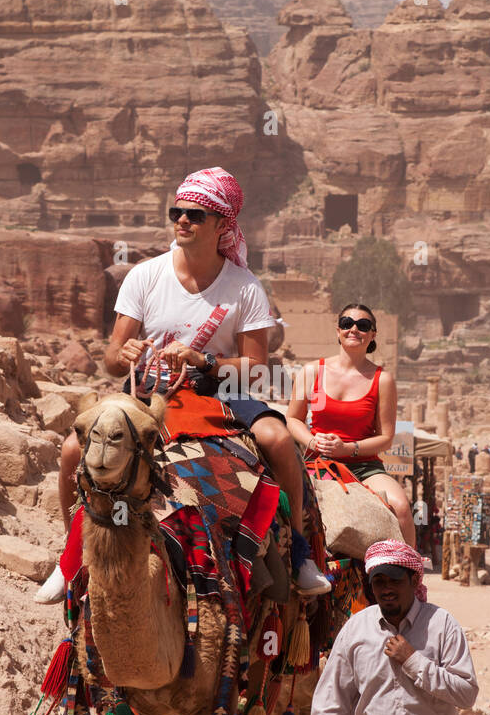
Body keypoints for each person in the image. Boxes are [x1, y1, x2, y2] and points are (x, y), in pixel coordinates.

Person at [37, 167, 331, 603]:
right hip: (150, 388)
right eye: (177, 211)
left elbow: (254, 369)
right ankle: (71, 558)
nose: (182, 220)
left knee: (277, 438)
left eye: (195, 214)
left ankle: (301, 556)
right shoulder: (145, 275)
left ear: (222, 224)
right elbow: (112, 356)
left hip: (219, 389)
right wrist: (128, 353)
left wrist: (204, 359)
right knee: (71, 450)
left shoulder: (245, 288)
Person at [301, 540, 478, 715]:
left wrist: (413, 661)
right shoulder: (356, 631)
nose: (386, 589)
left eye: (394, 580)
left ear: (413, 579)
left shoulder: (442, 626)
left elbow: (466, 693)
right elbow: (332, 700)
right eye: (378, 581)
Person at [287, 302, 414, 546]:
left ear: (372, 335)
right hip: (318, 461)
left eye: (362, 325)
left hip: (364, 466)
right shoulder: (312, 371)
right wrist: (313, 441)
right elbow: (293, 418)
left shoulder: (383, 380)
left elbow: (386, 437)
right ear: (338, 331)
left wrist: (348, 449)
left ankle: (411, 577)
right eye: (347, 323)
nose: (354, 329)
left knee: (401, 509)